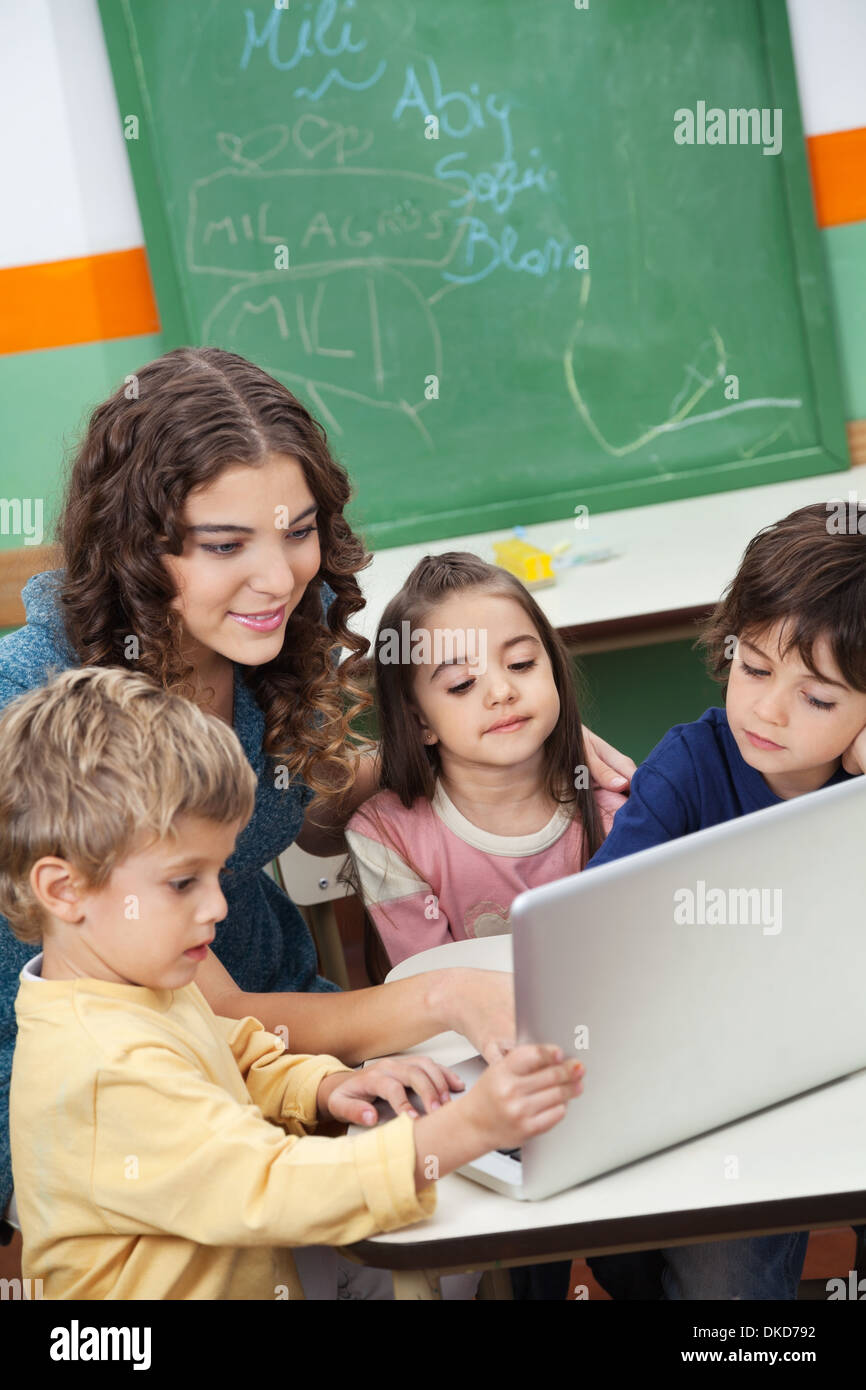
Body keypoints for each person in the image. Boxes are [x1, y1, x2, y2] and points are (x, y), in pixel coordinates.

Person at [0, 347, 634, 1286]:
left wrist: (468, 748)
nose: (277, 577)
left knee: (455, 1220)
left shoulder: (270, 625)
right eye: (225, 545)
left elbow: (279, 805)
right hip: (127, 1096)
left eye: (296, 530)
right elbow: (204, 1018)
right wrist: (444, 997)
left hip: (267, 1042)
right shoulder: (44, 705)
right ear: (139, 543)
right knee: (409, 1226)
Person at [2, 666, 585, 1299]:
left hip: (255, 1275)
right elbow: (271, 1186)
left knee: (446, 1251)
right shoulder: (103, 1067)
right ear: (65, 891)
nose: (217, 909)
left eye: (217, 876)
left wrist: (324, 1085)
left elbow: (231, 1054)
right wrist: (462, 1132)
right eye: (182, 883)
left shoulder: (130, 982)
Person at [582, 502, 866, 1300]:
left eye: (818, 699)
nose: (769, 710)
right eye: (754, 667)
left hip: (835, 1070)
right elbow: (599, 928)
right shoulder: (688, 769)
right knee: (696, 1276)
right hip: (707, 1085)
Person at [344, 551, 626, 1296]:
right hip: (468, 1082)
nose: (500, 692)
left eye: (522, 663)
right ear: (418, 721)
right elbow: (430, 989)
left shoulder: (614, 804)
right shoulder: (388, 832)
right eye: (462, 684)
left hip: (609, 1063)